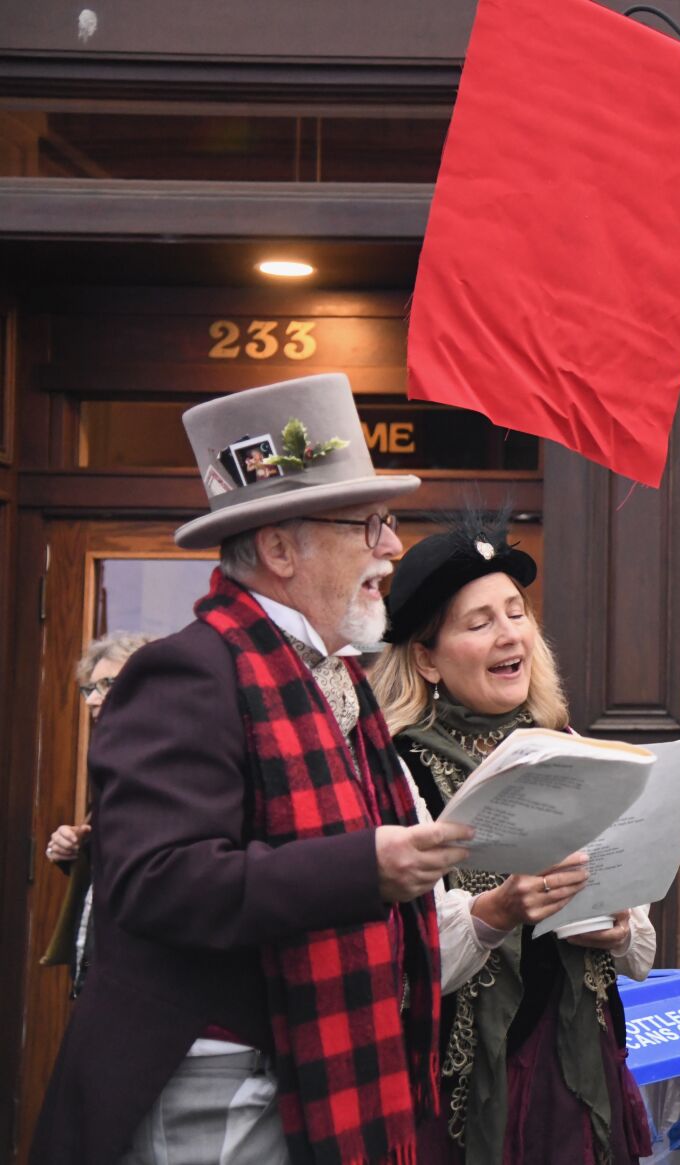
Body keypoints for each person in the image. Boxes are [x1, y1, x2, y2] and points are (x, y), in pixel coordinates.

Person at [35, 373, 467, 1165]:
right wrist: (364, 866)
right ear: (277, 548)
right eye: (366, 524)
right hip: (213, 1088)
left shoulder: (337, 676)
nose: (391, 546)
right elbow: (155, 881)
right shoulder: (186, 672)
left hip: (310, 1081)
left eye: (389, 520)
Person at [371, 511, 655, 1165]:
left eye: (516, 612)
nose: (511, 635)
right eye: (480, 622)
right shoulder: (397, 770)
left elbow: (640, 941)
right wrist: (495, 911)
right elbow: (402, 960)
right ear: (425, 657)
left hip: (580, 1073)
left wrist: (617, 924)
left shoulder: (574, 746)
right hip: (464, 1089)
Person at [41, 630, 155, 995]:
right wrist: (76, 847)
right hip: (102, 977)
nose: (93, 700)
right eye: (88, 689)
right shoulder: (114, 760)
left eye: (107, 684)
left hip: (143, 981)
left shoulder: (170, 763)